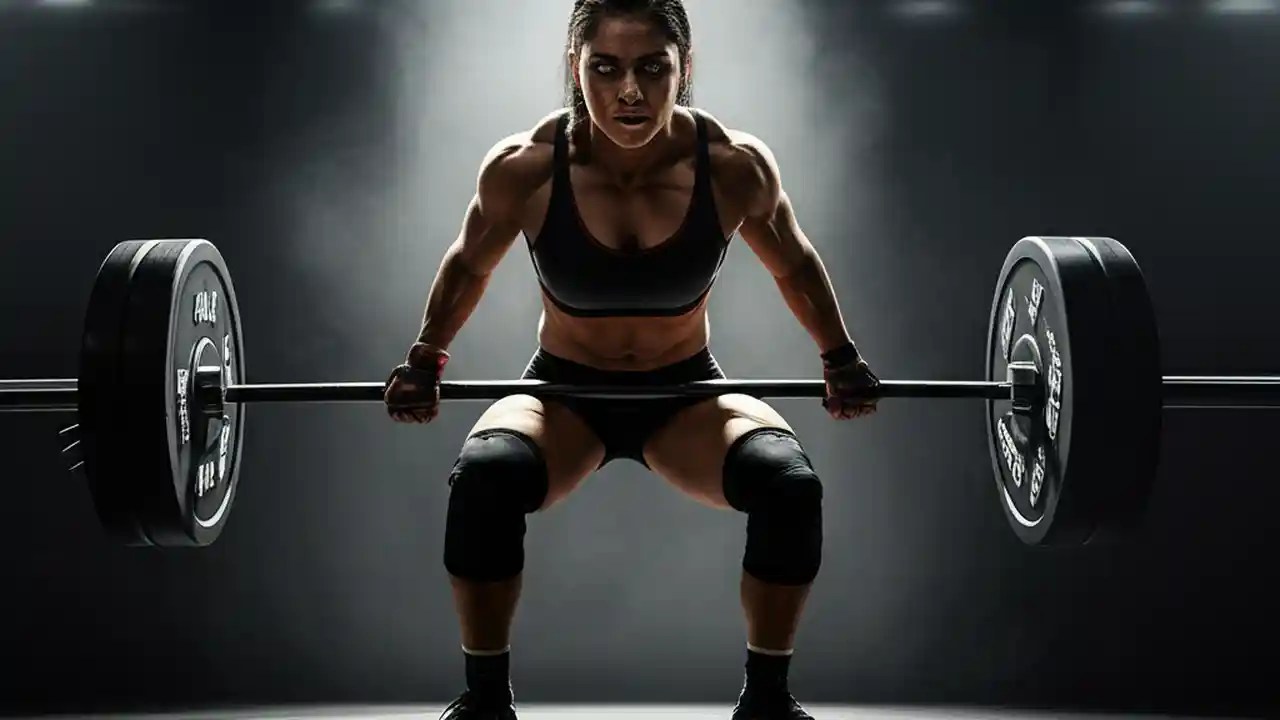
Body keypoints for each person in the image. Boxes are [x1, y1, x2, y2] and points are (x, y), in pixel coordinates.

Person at [384, 1, 879, 718]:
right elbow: (468, 264)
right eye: (606, 68)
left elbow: (795, 264)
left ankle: (767, 703)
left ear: (684, 66)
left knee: (788, 485)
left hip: (683, 396)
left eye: (652, 68)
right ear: (575, 66)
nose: (629, 92)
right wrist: (424, 361)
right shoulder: (526, 169)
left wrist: (841, 357)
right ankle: (486, 703)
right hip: (562, 395)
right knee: (485, 478)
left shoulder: (732, 167)